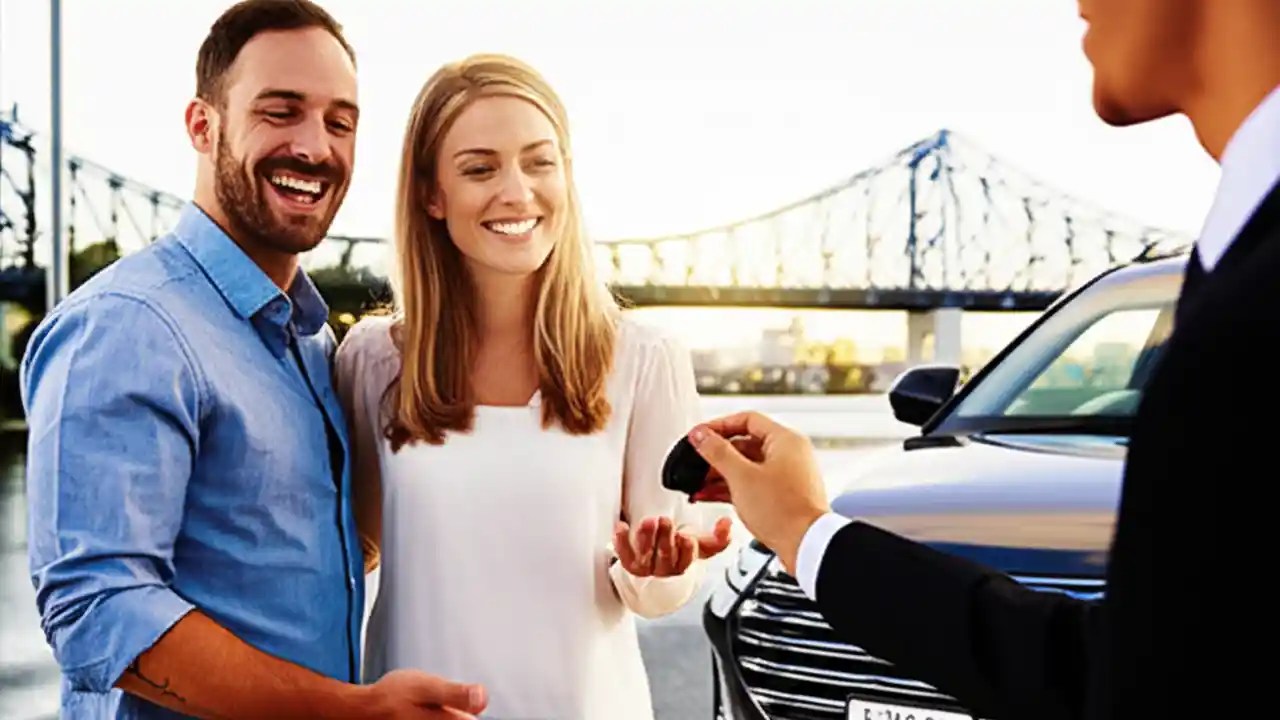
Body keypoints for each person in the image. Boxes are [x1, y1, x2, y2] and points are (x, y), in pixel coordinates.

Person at [686, 1, 1280, 719]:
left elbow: (1108, 686)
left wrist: (805, 531)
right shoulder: (1237, 272)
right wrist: (802, 527)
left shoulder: (1256, 302)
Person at [20, 1, 485, 718]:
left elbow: (306, 558)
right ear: (203, 126)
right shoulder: (128, 327)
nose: (314, 146)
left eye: (340, 121)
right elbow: (98, 610)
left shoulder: (310, 343)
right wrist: (351, 710)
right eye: (280, 111)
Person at [332, 53, 734, 720]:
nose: (516, 191)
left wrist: (659, 568)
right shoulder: (374, 359)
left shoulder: (646, 358)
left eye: (539, 162)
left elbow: (658, 595)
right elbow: (353, 556)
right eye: (480, 168)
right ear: (432, 194)